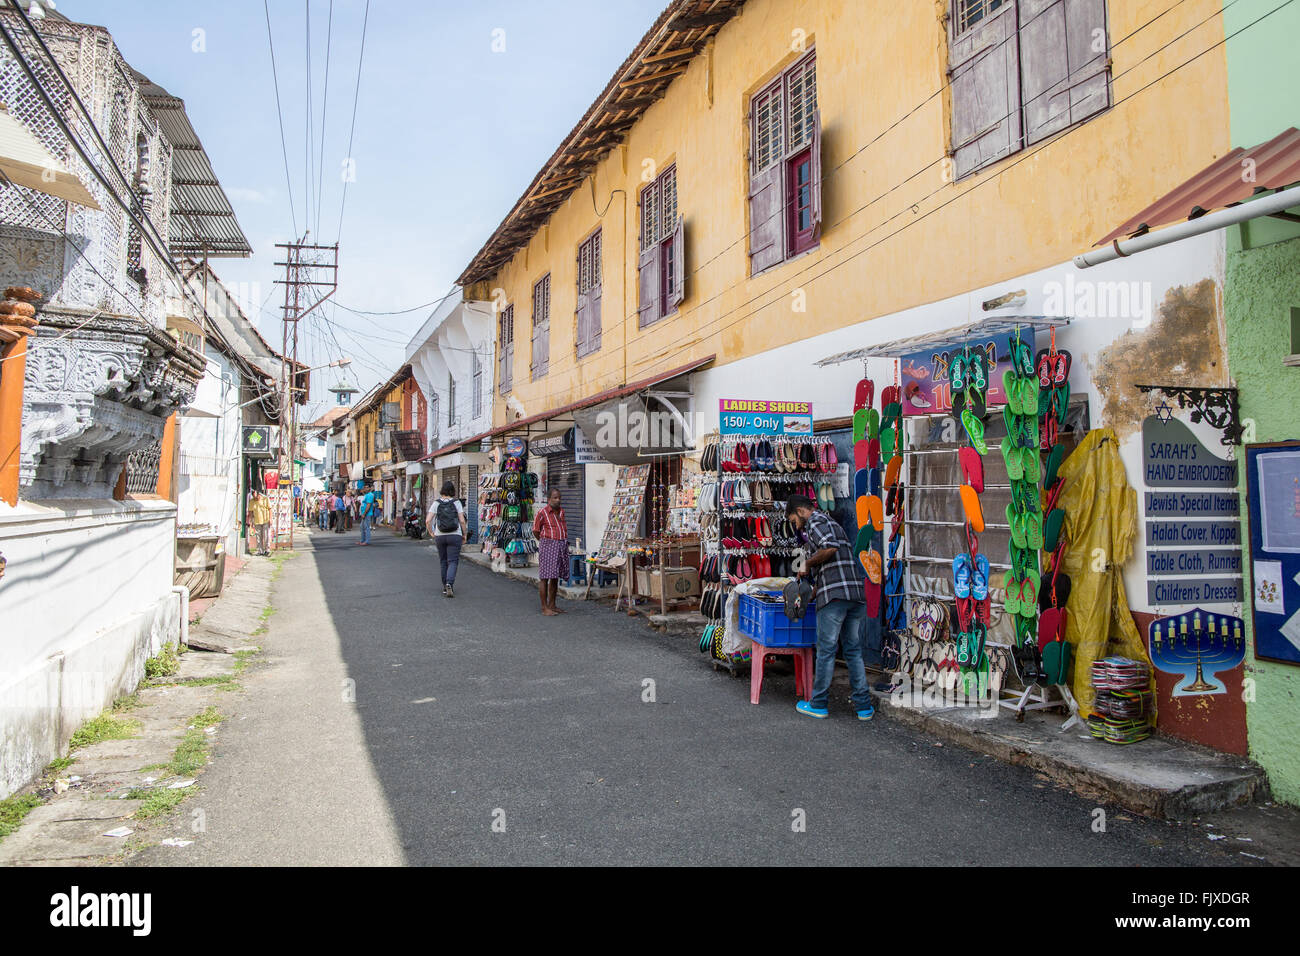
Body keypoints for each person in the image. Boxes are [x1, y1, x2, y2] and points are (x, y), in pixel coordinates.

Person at [785, 493, 874, 721]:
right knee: (853, 651)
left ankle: (819, 703)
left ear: (801, 511)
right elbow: (833, 561)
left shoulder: (815, 521)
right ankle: (864, 707)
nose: (796, 527)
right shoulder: (831, 522)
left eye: (794, 521)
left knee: (825, 651)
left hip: (835, 597)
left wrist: (806, 563)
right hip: (853, 594)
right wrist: (811, 592)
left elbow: (830, 548)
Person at [427, 480, 467, 597]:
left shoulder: (436, 503)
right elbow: (462, 521)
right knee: (453, 561)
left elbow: (428, 520)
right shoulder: (456, 503)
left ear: (442, 491)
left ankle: (445, 587)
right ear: (452, 491)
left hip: (440, 535)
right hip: (455, 535)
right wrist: (464, 534)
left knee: (443, 561)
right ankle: (450, 583)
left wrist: (431, 532)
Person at [533, 488, 569, 616]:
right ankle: (544, 608)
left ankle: (552, 605)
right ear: (549, 499)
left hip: (561, 546)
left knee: (555, 577)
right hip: (548, 545)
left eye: (559, 497)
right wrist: (546, 542)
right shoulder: (542, 513)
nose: (558, 500)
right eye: (555, 498)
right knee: (545, 577)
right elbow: (536, 531)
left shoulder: (561, 512)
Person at [248, 488, 272, 556]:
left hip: (265, 520)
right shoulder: (252, 501)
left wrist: (270, 519)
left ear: (259, 495)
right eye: (254, 497)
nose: (255, 498)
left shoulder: (265, 499)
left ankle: (267, 549)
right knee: (258, 536)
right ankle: (260, 550)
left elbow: (270, 509)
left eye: (256, 497)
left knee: (266, 535)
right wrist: (251, 521)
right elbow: (250, 512)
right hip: (257, 520)